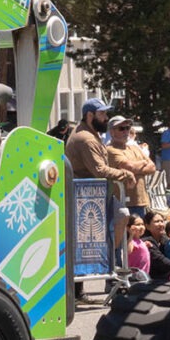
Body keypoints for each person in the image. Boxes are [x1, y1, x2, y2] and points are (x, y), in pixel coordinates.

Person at [65, 98, 137, 266]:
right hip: (85, 198)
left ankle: (111, 262)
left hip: (92, 195)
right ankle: (111, 262)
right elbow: (100, 170)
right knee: (121, 216)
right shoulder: (86, 139)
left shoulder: (88, 133)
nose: (106, 117)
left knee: (117, 220)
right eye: (102, 113)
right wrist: (125, 174)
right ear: (90, 115)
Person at [106, 115, 157, 213]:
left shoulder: (134, 148)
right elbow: (129, 167)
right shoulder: (110, 150)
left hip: (141, 202)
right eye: (121, 128)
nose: (126, 131)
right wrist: (143, 162)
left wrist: (135, 169)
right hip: (121, 203)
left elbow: (152, 167)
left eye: (127, 128)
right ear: (112, 132)